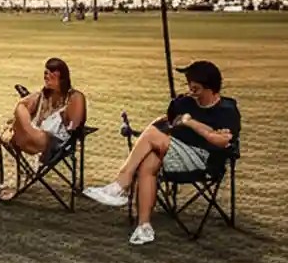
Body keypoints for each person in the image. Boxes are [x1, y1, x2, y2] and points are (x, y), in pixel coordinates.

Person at [82, 60, 241, 245]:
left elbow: (221, 142)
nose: (191, 92)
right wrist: (205, 130)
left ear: (211, 88)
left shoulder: (227, 110)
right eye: (189, 86)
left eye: (196, 89)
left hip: (205, 160)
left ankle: (120, 185)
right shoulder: (183, 103)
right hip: (174, 152)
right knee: (149, 160)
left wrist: (190, 122)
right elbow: (168, 123)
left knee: (151, 134)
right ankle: (144, 227)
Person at [8, 57, 86, 164]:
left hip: (54, 142)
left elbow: (74, 125)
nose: (46, 75)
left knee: (20, 114)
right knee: (21, 108)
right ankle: (20, 132)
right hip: (35, 137)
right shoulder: (44, 95)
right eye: (45, 72)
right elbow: (23, 105)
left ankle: (18, 132)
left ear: (62, 76)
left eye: (51, 72)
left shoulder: (74, 97)